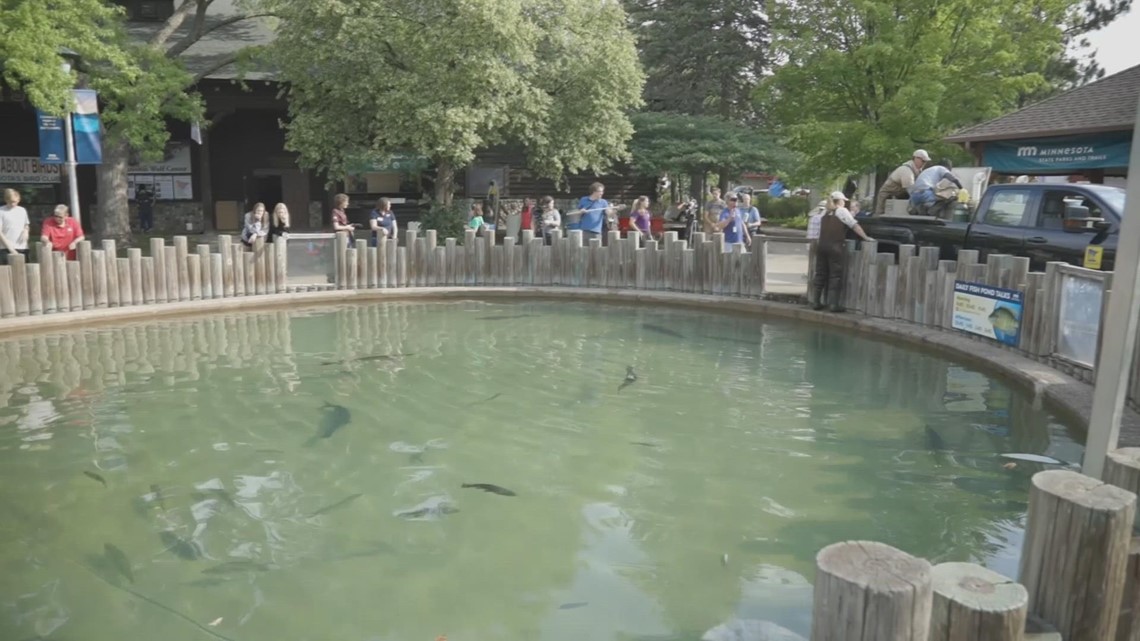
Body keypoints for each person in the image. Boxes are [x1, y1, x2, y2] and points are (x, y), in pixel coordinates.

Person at [812, 191, 872, 313]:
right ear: (839, 201)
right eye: (844, 200)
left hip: (822, 246)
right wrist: (866, 237)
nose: (845, 202)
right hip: (835, 247)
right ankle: (834, 305)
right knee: (835, 275)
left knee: (820, 273)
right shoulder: (841, 211)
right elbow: (854, 225)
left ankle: (816, 302)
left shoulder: (825, 212)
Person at [874, 149, 930, 216]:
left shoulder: (917, 171)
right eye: (923, 161)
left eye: (925, 162)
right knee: (880, 215)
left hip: (899, 195)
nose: (924, 163)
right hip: (887, 196)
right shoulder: (906, 171)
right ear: (916, 158)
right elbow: (912, 192)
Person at [0, 188, 30, 265]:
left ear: (18, 199)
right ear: (6, 200)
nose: (13, 204)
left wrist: (26, 231)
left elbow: (26, 224)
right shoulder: (1, 211)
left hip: (22, 247)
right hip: (6, 248)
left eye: (15, 202)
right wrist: (10, 248)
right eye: (10, 202)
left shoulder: (22, 210)